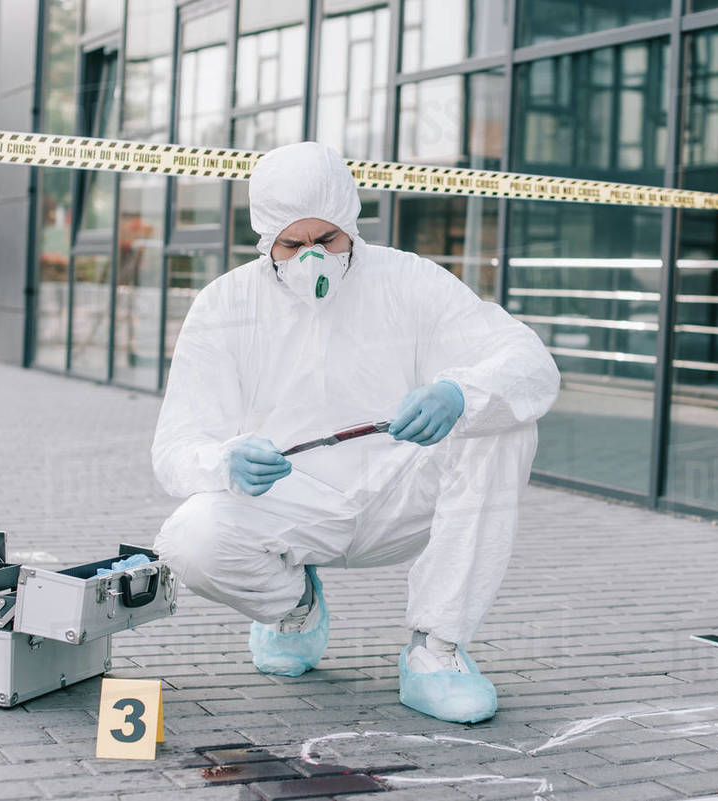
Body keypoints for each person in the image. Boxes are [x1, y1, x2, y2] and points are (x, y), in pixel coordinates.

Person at [150, 141, 560, 724]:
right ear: (264, 238)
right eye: (292, 244)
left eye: (328, 241)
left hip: (401, 491)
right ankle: (295, 606)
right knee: (190, 539)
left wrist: (458, 393)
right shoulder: (225, 304)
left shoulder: (410, 280)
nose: (311, 258)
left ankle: (436, 648)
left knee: (500, 425)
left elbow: (528, 364)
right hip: (293, 499)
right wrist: (224, 460)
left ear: (352, 225)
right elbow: (175, 446)